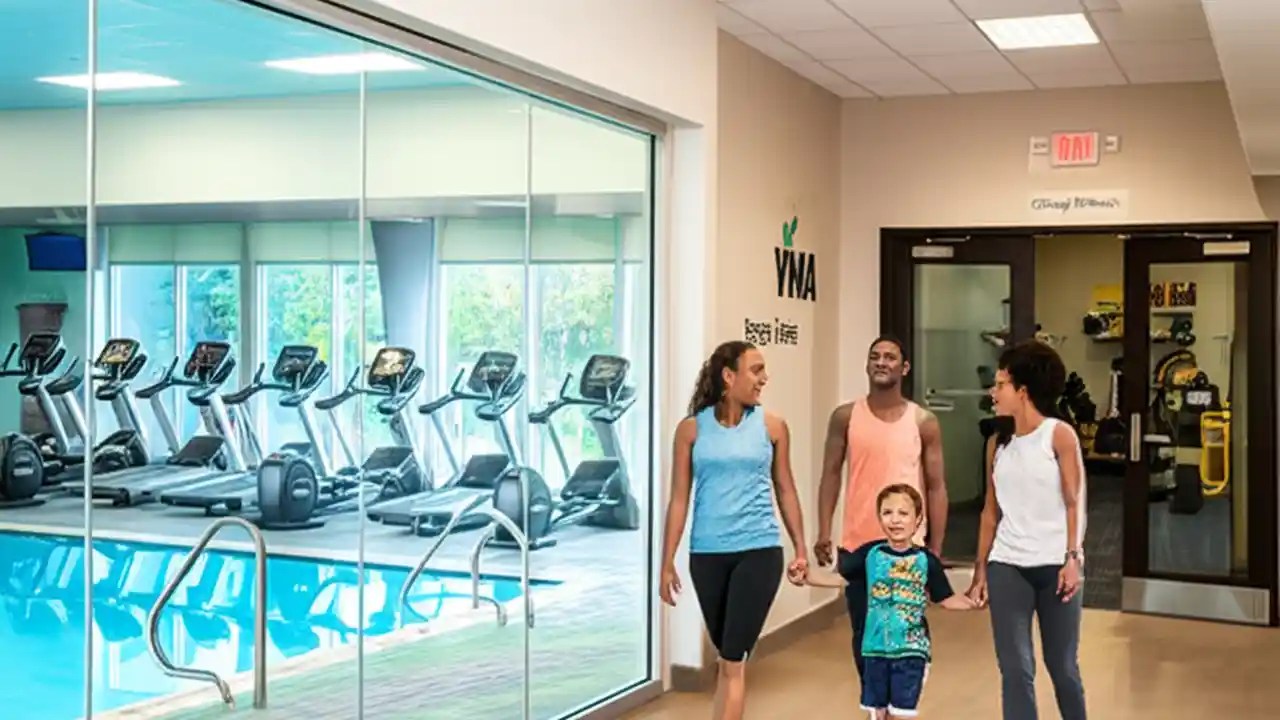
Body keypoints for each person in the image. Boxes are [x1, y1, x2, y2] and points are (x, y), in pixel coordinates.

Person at [659, 340, 809, 720]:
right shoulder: (691, 431)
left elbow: (786, 489)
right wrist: (667, 562)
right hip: (707, 554)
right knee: (727, 660)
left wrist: (801, 548)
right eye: (756, 370)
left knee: (733, 659)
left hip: (759, 551)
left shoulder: (773, 427)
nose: (764, 378)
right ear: (729, 376)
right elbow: (679, 499)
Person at [814, 336, 949, 680]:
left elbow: (936, 486)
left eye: (890, 357)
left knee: (906, 635)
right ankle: (878, 709)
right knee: (865, 636)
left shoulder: (923, 421)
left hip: (907, 548)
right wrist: (824, 531)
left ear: (903, 368)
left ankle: (901, 706)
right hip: (858, 543)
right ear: (867, 364)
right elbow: (830, 475)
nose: (881, 362)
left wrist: (934, 549)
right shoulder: (845, 416)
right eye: (875, 356)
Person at [966, 340, 1088, 720]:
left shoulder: (1059, 435)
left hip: (1055, 565)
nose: (993, 391)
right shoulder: (997, 443)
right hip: (1008, 564)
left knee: (1063, 667)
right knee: (1016, 670)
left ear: (1022, 391)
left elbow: (1074, 503)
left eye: (1000, 384)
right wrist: (981, 569)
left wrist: (1073, 559)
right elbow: (990, 512)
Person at [808, 483, 975, 720]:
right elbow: (840, 579)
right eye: (887, 513)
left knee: (901, 714)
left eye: (903, 513)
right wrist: (806, 577)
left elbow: (946, 599)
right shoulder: (870, 554)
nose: (895, 520)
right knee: (877, 714)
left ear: (918, 519)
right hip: (875, 651)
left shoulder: (926, 560)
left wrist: (975, 602)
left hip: (911, 652)